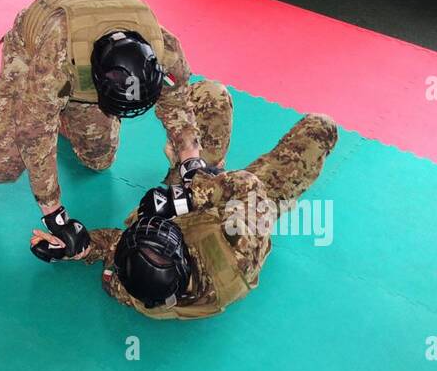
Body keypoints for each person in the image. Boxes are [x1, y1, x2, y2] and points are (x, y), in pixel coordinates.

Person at [0, 0, 209, 256]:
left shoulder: (163, 49)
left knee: (99, 160)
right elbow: (34, 133)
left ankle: (64, 113)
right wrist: (54, 215)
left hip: (86, 62)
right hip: (32, 51)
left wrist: (190, 160)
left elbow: (178, 102)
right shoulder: (53, 61)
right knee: (0, 166)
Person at [30, 102, 339, 320]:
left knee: (206, 98)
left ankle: (198, 172)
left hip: (194, 210)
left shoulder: (129, 286)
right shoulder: (239, 252)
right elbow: (246, 187)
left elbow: (116, 246)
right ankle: (204, 170)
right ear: (183, 253)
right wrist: (193, 180)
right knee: (321, 129)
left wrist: (79, 248)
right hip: (239, 213)